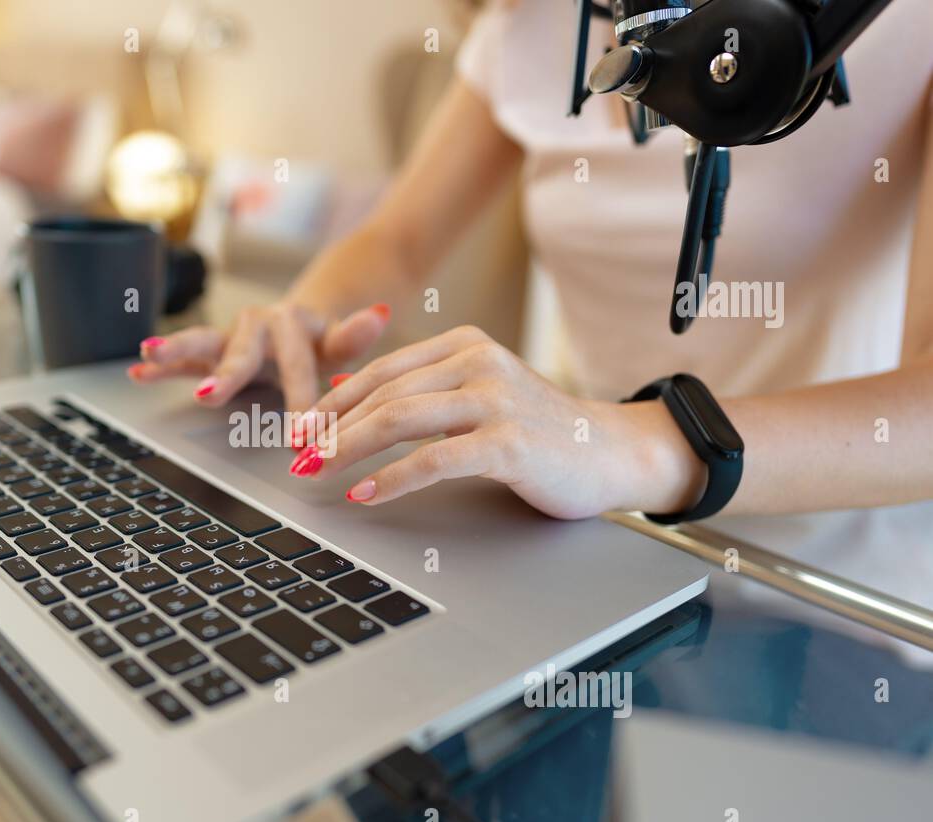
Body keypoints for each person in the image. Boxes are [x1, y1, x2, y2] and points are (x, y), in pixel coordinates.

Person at [129, 0, 932, 524]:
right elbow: (397, 241)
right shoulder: (535, 23)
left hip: (831, 597)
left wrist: (635, 445)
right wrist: (302, 320)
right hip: (593, 539)